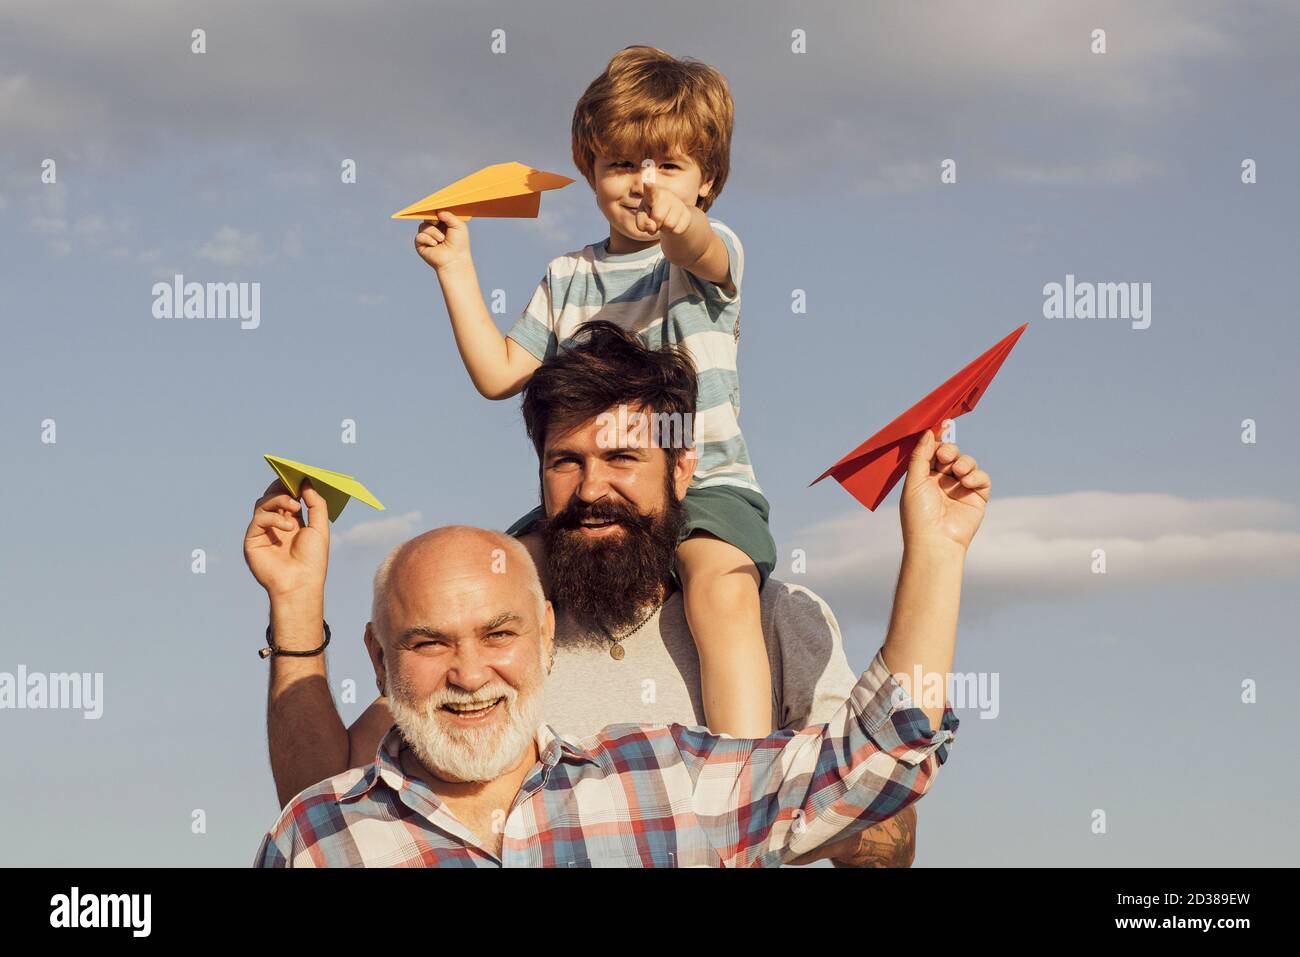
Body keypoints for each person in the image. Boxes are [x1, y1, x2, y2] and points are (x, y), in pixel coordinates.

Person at [248, 322, 923, 866]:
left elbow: (890, 830)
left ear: (682, 468)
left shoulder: (773, 617)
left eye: (623, 459)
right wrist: (296, 602)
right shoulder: (494, 641)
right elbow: (324, 808)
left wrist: (747, 816)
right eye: (566, 461)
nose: (592, 488)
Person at [413, 45, 774, 738]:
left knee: (721, 589)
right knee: (499, 575)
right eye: (623, 165)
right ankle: (469, 750)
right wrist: (455, 267)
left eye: (669, 166)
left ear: (708, 182)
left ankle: (745, 768)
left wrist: (684, 225)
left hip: (708, 482)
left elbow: (705, 250)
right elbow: (497, 372)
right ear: (592, 173)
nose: (646, 185)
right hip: (592, 487)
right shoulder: (569, 276)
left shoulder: (704, 255)